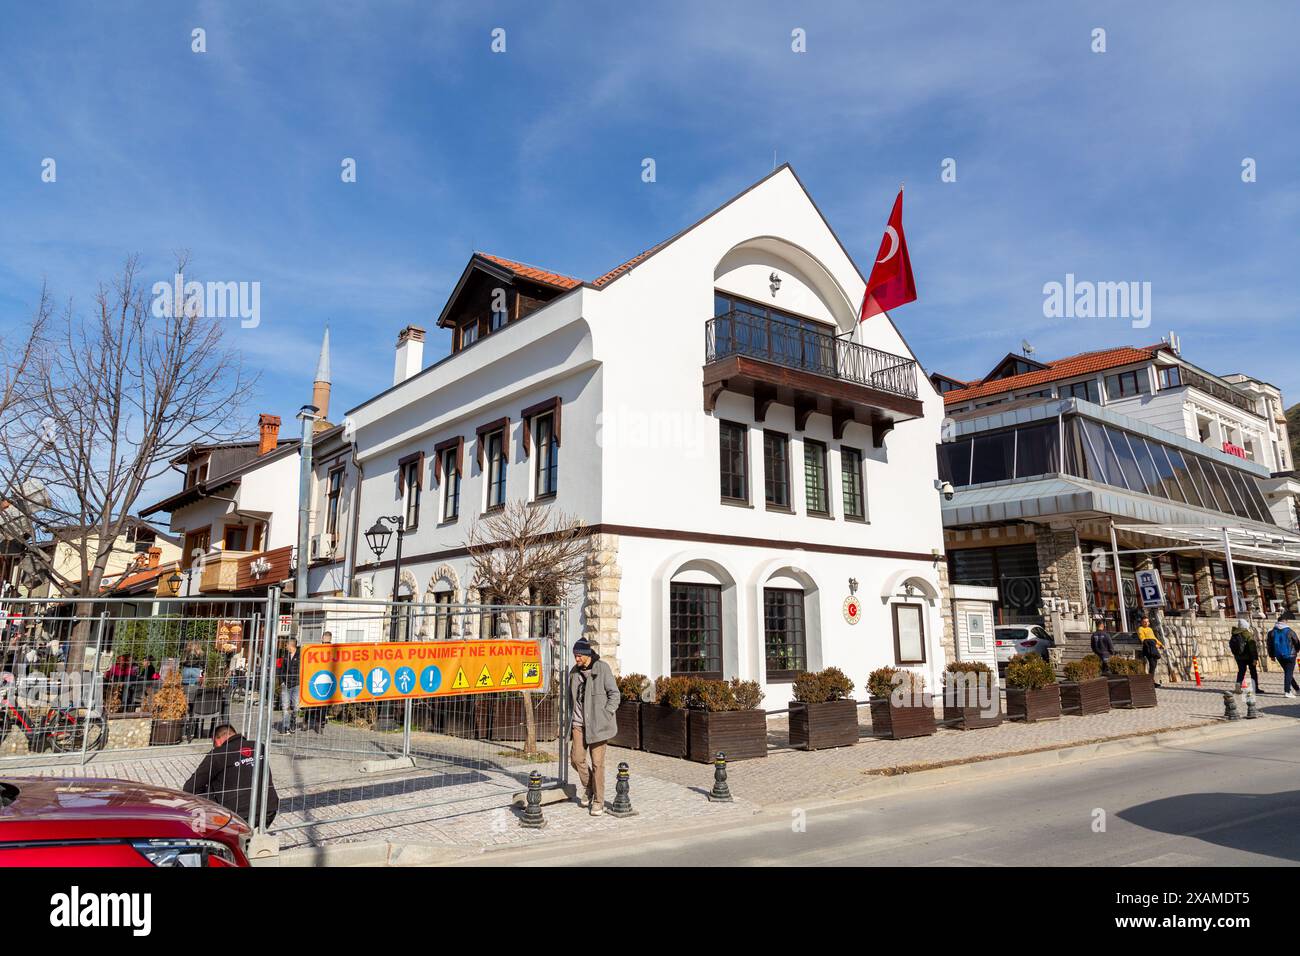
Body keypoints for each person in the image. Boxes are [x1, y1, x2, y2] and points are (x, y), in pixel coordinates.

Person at [181, 723, 278, 826]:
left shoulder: (218, 753)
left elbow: (190, 787)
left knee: (207, 786)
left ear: (216, 740)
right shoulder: (258, 746)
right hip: (268, 809)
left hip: (238, 816)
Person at [567, 638, 619, 816]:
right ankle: (589, 787)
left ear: (587, 655)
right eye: (575, 656)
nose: (576, 659)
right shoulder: (574, 673)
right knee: (576, 759)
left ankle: (598, 800)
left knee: (598, 764)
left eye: (579, 655)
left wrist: (606, 714)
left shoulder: (602, 668)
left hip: (598, 725)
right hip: (578, 724)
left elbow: (614, 694)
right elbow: (569, 700)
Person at [1267, 610, 1300, 698]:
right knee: (1288, 673)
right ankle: (1287, 691)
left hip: (1279, 655)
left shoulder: (1271, 632)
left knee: (1288, 672)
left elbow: (1269, 645)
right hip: (1290, 655)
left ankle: (1297, 689)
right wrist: (1297, 650)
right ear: (1285, 621)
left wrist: (1271, 656)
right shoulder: (1289, 631)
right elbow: (1296, 641)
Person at [1229, 621, 1261, 695]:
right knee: (1253, 672)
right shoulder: (1247, 634)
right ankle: (1255, 688)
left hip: (1239, 657)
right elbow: (1252, 647)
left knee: (1241, 672)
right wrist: (1255, 658)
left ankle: (1238, 687)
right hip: (1249, 657)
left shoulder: (1234, 634)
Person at [276, 638, 300, 733]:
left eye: (287, 645)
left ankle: (293, 721)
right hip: (286, 684)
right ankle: (285, 727)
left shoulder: (301, 656)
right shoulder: (285, 656)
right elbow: (281, 669)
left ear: (291, 645)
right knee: (285, 706)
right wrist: (282, 681)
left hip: (297, 684)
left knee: (295, 706)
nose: (286, 647)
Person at [1137, 616, 1163, 686]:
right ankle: (1150, 682)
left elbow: (1154, 638)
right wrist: (1153, 643)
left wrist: (1160, 644)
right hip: (1148, 648)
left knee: (1153, 665)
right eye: (1144, 622)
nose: (1146, 623)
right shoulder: (1140, 629)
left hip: (1153, 647)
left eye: (1147, 622)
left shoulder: (1150, 629)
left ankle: (1151, 681)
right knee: (1152, 664)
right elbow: (1142, 638)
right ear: (1142, 622)